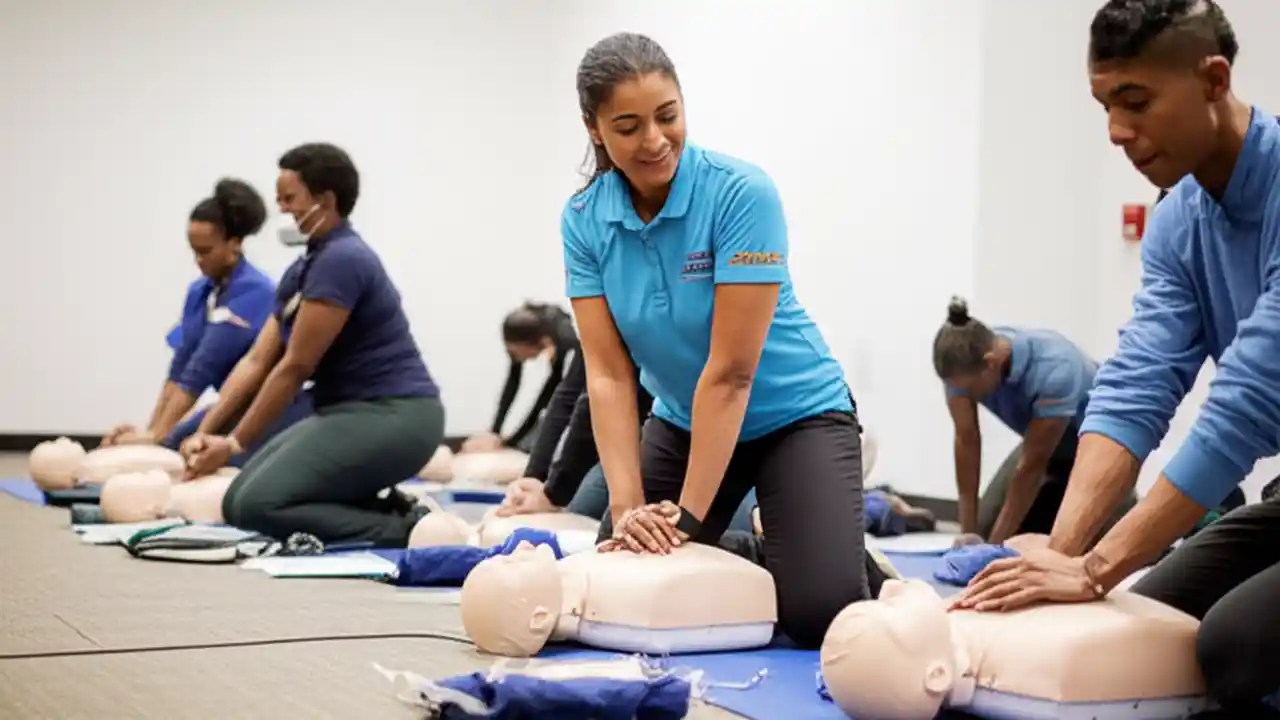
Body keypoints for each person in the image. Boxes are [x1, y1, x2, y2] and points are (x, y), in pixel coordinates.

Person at [955, 1, 1280, 712]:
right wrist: (1067, 555)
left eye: (1135, 102)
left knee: (1234, 649)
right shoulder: (1179, 221)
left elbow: (1251, 402)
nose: (1115, 132)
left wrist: (1098, 566)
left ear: (1213, 78)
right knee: (1146, 626)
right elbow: (1138, 385)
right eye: (1104, 105)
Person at [559, 32, 882, 648]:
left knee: (819, 615)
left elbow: (732, 374)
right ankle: (766, 547)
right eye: (627, 126)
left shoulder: (740, 193)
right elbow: (606, 375)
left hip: (797, 416)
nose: (654, 140)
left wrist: (686, 519)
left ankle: (819, 558)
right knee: (623, 575)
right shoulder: (583, 220)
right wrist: (630, 509)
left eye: (667, 116)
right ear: (594, 128)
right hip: (683, 421)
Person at [181, 142, 444, 547]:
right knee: (236, 501)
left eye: (290, 199)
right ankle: (387, 510)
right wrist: (207, 431)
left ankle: (407, 531)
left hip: (394, 415)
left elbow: (294, 366)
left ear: (325, 200)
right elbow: (256, 361)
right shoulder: (304, 269)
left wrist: (235, 442)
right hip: (346, 412)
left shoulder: (343, 260)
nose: (282, 209)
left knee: (259, 505)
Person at [101, 179, 312, 462]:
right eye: (194, 251)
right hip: (230, 404)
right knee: (166, 446)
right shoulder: (199, 292)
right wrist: (150, 432)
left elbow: (200, 372)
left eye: (206, 251)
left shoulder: (255, 292)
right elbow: (180, 369)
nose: (198, 261)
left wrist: (159, 439)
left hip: (265, 408)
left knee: (181, 453)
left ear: (234, 244)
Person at [934, 296, 1135, 546]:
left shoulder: (1055, 369)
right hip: (1047, 447)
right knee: (983, 532)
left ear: (990, 363)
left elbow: (1031, 467)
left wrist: (993, 551)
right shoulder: (960, 365)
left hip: (1096, 450)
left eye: (970, 390)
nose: (964, 397)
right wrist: (967, 534)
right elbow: (966, 441)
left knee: (1093, 546)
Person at [462, 302, 579, 454]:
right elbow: (512, 384)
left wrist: (512, 442)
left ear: (542, 343)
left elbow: (547, 398)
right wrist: (495, 432)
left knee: (552, 418)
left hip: (584, 385)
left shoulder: (565, 341)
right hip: (549, 346)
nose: (514, 357)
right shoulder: (524, 327)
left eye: (515, 352)